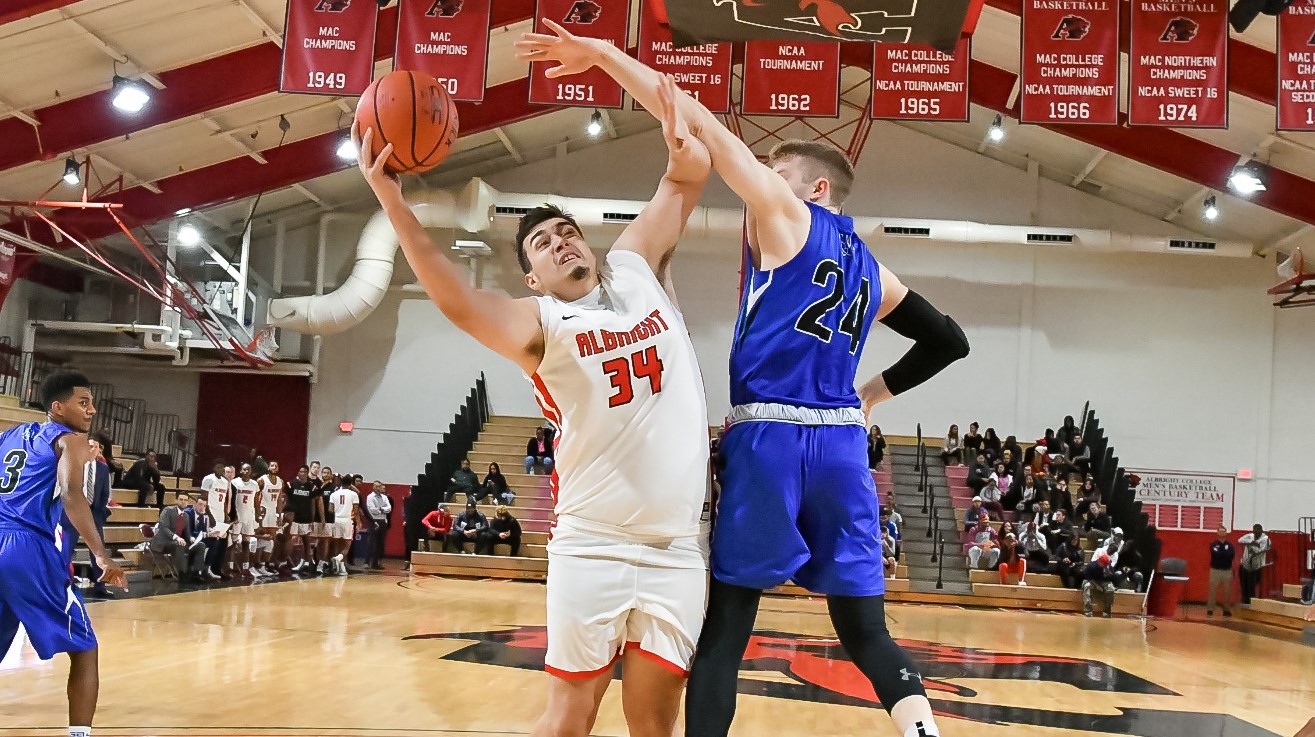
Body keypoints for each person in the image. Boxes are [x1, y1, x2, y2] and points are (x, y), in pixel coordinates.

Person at [517, 26, 977, 737]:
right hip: (844, 449)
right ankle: (922, 729)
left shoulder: (790, 217)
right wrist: (869, 397)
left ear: (814, 188)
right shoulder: (869, 268)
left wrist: (605, 56)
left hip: (770, 440)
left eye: (777, 167)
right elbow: (949, 339)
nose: (763, 174)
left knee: (726, 629)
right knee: (865, 633)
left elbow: (695, 119)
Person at [359, 69, 715, 737]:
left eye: (566, 232)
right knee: (568, 718)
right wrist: (390, 197)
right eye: (543, 244)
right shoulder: (541, 322)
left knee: (655, 720)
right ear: (533, 276)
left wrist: (678, 141)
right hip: (594, 546)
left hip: (674, 550)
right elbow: (458, 301)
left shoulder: (635, 266)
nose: (560, 242)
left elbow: (684, 181)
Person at [0, 371, 127, 737]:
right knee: (85, 646)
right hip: (26, 547)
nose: (92, 410)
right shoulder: (70, 440)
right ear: (58, 407)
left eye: (91, 403)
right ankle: (79, 735)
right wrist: (101, 556)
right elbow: (73, 497)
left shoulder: (9, 435)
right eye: (82, 403)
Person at [152, 492, 207, 582]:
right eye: (181, 499)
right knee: (179, 545)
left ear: (188, 502)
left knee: (200, 545)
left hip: (175, 543)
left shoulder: (185, 516)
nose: (183, 502)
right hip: (163, 542)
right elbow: (164, 527)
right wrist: (177, 537)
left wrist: (191, 538)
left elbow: (187, 533)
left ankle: (195, 573)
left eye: (185, 500)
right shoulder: (167, 510)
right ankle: (182, 574)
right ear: (176, 500)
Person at [86, 435, 114, 598]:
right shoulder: (76, 464)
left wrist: (99, 510)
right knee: (66, 547)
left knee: (98, 551)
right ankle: (60, 584)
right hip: (75, 512)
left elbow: (105, 494)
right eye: (89, 446)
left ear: (99, 450)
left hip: (94, 513)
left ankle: (100, 585)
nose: (92, 449)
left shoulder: (103, 469)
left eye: (95, 447)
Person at [284, 465, 322, 574]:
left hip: (306, 517)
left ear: (307, 473)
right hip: (293, 516)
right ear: (298, 473)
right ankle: (285, 561)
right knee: (292, 538)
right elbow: (286, 499)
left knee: (306, 540)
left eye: (305, 472)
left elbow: (313, 503)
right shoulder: (291, 484)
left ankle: (305, 562)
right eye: (301, 471)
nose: (303, 473)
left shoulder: (311, 487)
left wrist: (313, 517)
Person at [199, 459, 231, 577]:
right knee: (212, 543)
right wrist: (209, 515)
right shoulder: (208, 479)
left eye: (223, 467)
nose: (221, 469)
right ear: (213, 468)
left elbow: (223, 500)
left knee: (223, 543)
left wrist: (226, 514)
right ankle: (205, 569)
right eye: (218, 467)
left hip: (220, 515)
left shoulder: (224, 481)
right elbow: (203, 499)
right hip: (210, 514)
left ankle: (216, 568)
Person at [229, 463, 259, 580]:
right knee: (233, 543)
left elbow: (256, 500)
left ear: (251, 471)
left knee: (246, 542)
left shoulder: (254, 484)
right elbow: (230, 500)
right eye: (244, 469)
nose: (246, 471)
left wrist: (257, 514)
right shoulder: (234, 483)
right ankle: (230, 567)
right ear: (240, 471)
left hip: (248, 516)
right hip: (237, 516)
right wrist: (232, 515)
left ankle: (245, 567)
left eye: (248, 469)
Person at [254, 461, 284, 578]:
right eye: (272, 465)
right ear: (268, 467)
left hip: (273, 512)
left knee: (270, 539)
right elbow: (255, 497)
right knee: (261, 537)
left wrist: (280, 515)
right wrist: (257, 512)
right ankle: (256, 564)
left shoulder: (280, 481)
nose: (274, 467)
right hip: (263, 510)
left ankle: (264, 565)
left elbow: (279, 499)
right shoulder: (261, 480)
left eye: (276, 465)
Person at [327, 477, 360, 576]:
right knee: (347, 543)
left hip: (337, 519)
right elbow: (356, 510)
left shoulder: (334, 494)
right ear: (351, 484)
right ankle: (338, 558)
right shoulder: (354, 494)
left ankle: (341, 568)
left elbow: (330, 509)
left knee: (337, 543)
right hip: (348, 520)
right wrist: (359, 522)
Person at [1238, 524, 1271, 604]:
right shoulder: (1250, 536)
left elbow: (1265, 548)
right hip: (1245, 564)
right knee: (1244, 584)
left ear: (1261, 530)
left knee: (1251, 585)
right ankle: (1244, 601)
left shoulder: (1265, 539)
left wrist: (1256, 547)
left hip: (1256, 566)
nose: (1255, 532)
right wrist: (1250, 542)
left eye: (1258, 530)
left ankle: (1251, 602)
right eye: (1254, 530)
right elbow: (1240, 540)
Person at [365, 481, 392, 569]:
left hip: (383, 521)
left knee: (381, 543)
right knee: (371, 542)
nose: (377, 488)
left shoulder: (384, 497)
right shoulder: (370, 497)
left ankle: (377, 562)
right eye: (376, 486)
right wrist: (383, 510)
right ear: (373, 487)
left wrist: (380, 509)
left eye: (379, 486)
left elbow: (389, 508)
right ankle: (367, 562)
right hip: (374, 521)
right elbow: (372, 510)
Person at [1083, 552, 1117, 617]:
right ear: (1099, 562)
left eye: (1106, 564)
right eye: (1103, 564)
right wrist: (1097, 586)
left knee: (1111, 589)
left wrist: (1107, 570)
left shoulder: (1108, 566)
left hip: (1105, 582)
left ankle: (1106, 612)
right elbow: (1089, 578)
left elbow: (1112, 578)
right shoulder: (1091, 566)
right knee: (1086, 586)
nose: (1105, 565)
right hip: (1093, 581)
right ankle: (1088, 611)